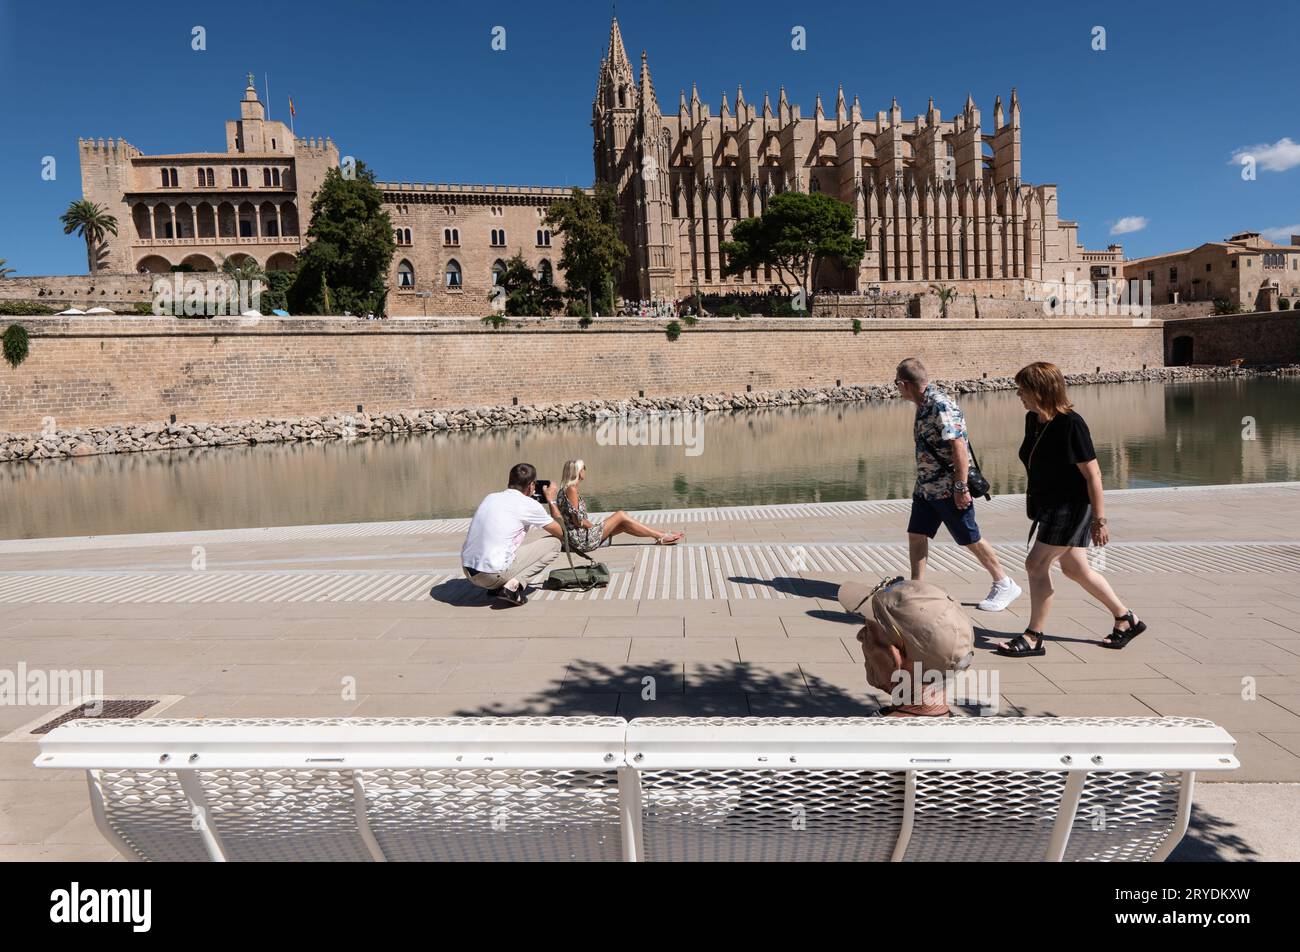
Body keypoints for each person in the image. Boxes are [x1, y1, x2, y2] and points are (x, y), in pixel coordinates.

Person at [994, 362, 1146, 656]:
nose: (1018, 395)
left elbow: (1093, 475)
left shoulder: (1071, 424)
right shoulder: (1033, 419)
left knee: (1036, 565)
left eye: (1023, 389)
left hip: (1070, 507)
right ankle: (1126, 618)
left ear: (1040, 390)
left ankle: (1034, 636)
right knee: (1075, 569)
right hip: (1048, 506)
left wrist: (1099, 520)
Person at [895, 357, 1022, 612]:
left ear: (904, 383)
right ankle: (918, 588)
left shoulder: (939, 404)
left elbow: (959, 446)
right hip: (926, 487)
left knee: (968, 536)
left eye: (897, 384)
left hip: (947, 487)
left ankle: (1004, 582)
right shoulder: (923, 404)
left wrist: (960, 487)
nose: (897, 389)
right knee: (917, 534)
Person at [838, 577, 976, 717]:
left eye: (868, 628)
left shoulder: (858, 736)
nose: (860, 636)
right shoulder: (971, 732)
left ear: (894, 658)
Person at [461, 462, 564, 607]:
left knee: (504, 548)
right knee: (554, 544)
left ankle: (497, 586)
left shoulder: (490, 497)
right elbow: (561, 532)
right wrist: (551, 500)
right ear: (532, 486)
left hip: (468, 571)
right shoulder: (529, 504)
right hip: (490, 576)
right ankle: (512, 587)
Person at [556, 459, 683, 551]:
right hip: (581, 539)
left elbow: (577, 519)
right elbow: (578, 521)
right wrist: (595, 528)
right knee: (620, 515)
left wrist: (597, 527)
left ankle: (659, 535)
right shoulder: (571, 489)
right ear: (578, 471)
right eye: (585, 468)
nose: (585, 471)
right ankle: (660, 536)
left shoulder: (565, 489)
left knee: (623, 525)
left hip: (578, 537)